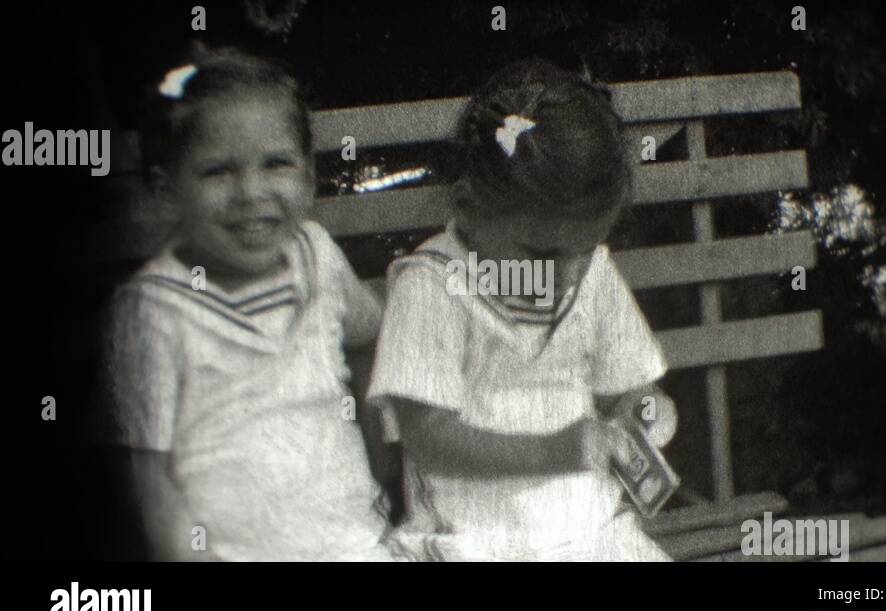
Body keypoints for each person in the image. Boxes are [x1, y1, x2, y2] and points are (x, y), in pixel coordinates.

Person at [368, 59, 678, 561]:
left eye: (587, 248)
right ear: (469, 208)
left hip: (589, 531)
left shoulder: (590, 275)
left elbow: (634, 390)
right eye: (542, 255)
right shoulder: (431, 286)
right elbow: (428, 439)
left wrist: (644, 414)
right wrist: (556, 450)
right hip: (476, 537)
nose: (569, 275)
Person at [105, 46, 392, 561]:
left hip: (353, 544)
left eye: (276, 163)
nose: (252, 192)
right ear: (167, 192)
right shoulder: (152, 311)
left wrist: (385, 467)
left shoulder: (317, 256)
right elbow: (151, 477)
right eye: (218, 171)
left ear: (307, 175)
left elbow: (368, 338)